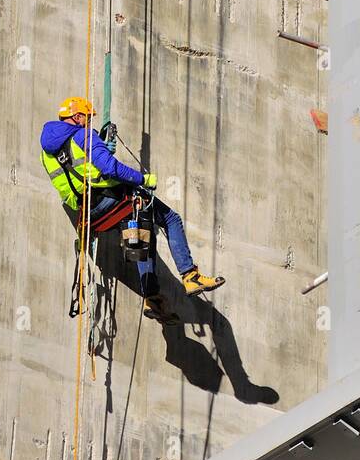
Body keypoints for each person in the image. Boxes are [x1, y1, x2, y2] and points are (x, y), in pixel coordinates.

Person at [40, 96, 224, 322]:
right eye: (87, 118)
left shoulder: (47, 153)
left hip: (89, 213)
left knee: (142, 238)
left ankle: (153, 298)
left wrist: (99, 148)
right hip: (113, 199)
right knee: (171, 219)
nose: (89, 123)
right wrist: (143, 179)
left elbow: (76, 174)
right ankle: (190, 275)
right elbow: (109, 168)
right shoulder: (83, 135)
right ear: (77, 117)